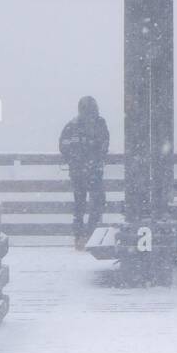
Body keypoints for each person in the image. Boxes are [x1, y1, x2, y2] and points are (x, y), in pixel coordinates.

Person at [58, 96, 110, 249]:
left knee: (83, 205)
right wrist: (91, 157)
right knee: (92, 204)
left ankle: (83, 237)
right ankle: (87, 236)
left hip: (82, 171)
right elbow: (104, 144)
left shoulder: (73, 125)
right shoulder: (96, 123)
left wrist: (77, 157)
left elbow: (64, 146)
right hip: (88, 171)